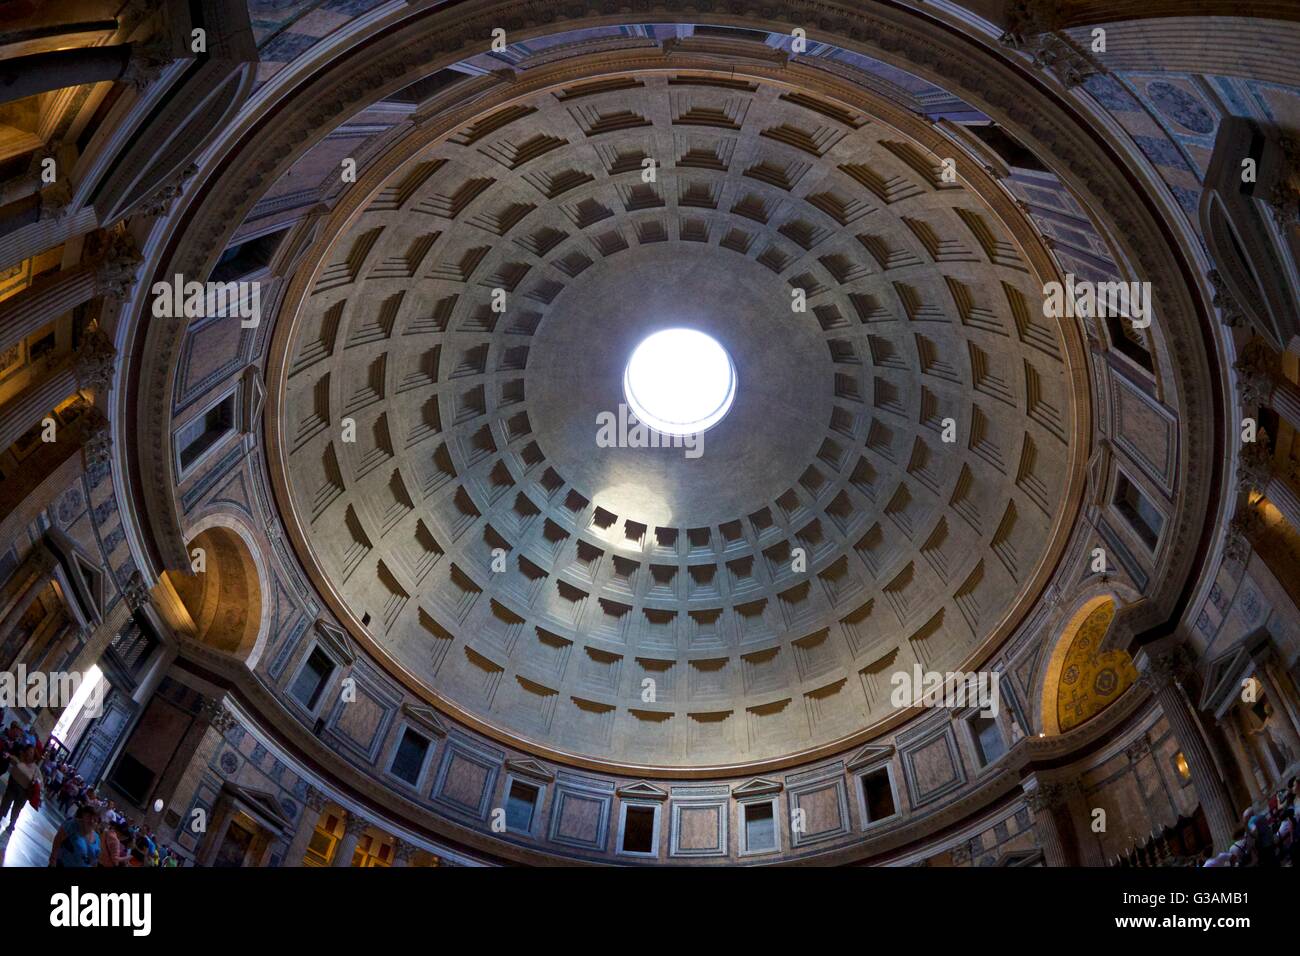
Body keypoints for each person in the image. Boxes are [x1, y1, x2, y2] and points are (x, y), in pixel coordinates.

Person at [0, 743, 38, 832]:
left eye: (31, 753)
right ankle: (0, 816)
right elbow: (11, 758)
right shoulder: (19, 759)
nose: (29, 754)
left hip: (24, 792)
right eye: (28, 752)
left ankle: (12, 824)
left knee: (17, 809)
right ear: (25, 752)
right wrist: (7, 756)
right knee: (6, 802)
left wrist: (34, 782)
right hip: (13, 785)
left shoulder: (35, 768)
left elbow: (38, 781)